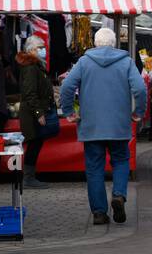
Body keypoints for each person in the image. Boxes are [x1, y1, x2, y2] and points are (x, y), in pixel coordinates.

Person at [58, 26, 146, 225]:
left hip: (91, 125)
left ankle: (99, 212)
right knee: (122, 160)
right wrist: (138, 112)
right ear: (114, 43)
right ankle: (119, 195)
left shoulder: (83, 62)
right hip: (118, 124)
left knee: (94, 168)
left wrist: (69, 112)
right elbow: (140, 89)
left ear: (95, 43)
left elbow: (67, 87)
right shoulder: (126, 62)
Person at [16, 36, 56, 189]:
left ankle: (30, 177)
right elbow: (30, 92)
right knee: (33, 144)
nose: (43, 50)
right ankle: (28, 178)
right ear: (32, 50)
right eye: (40, 48)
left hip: (34, 112)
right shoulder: (31, 67)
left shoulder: (36, 65)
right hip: (31, 114)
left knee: (36, 144)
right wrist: (39, 113)